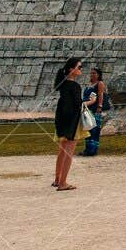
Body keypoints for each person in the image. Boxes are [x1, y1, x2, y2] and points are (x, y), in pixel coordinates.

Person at [51, 57, 83, 191]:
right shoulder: (74, 85)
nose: (81, 69)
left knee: (62, 151)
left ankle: (57, 179)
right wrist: (92, 102)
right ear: (72, 69)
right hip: (72, 121)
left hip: (62, 119)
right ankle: (63, 182)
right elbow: (78, 104)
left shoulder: (63, 84)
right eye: (79, 67)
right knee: (69, 152)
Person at [81, 65, 107, 157]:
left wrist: (99, 106)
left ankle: (92, 150)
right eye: (91, 73)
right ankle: (87, 149)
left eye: (94, 73)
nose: (92, 75)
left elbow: (100, 95)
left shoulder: (99, 83)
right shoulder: (90, 84)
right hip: (87, 109)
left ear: (99, 74)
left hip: (94, 108)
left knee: (94, 129)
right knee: (88, 128)